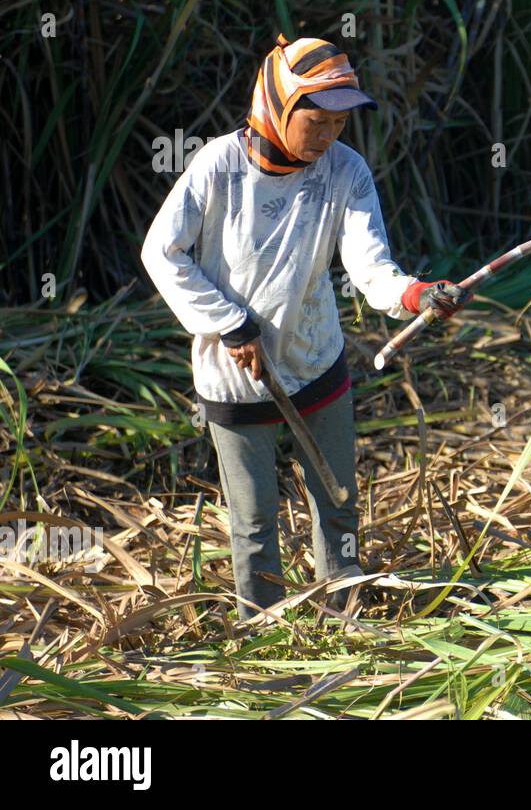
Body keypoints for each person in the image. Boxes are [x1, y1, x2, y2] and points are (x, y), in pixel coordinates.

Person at [141, 34, 469, 622]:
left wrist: (417, 294)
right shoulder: (219, 165)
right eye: (315, 120)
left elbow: (369, 265)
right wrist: (231, 325)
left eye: (340, 123)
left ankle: (341, 618)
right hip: (236, 380)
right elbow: (163, 253)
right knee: (254, 519)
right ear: (276, 108)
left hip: (317, 362)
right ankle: (263, 635)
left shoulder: (347, 172)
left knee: (338, 505)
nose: (329, 136)